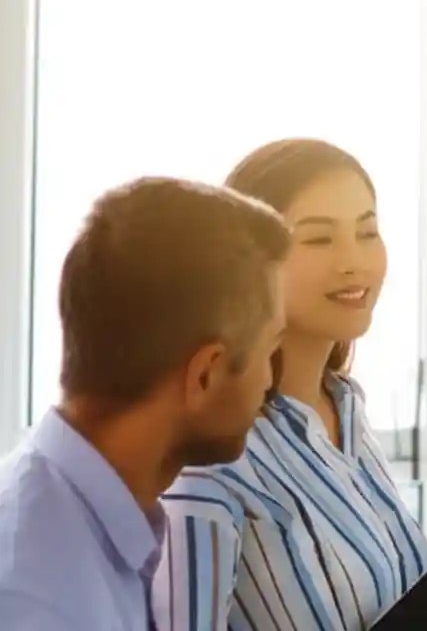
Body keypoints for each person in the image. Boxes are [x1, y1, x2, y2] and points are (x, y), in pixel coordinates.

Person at [154, 139, 427, 630]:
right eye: (319, 239)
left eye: (367, 232)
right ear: (246, 262)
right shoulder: (210, 456)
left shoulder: (346, 413)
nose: (355, 261)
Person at [0, 178, 290, 630]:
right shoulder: (38, 599)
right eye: (268, 352)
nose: (270, 381)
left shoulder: (76, 524)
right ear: (206, 375)